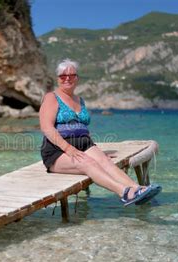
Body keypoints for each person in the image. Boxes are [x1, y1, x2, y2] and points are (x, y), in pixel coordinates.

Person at [39, 59, 161, 206]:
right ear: (57, 79)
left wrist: (96, 150)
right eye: (63, 76)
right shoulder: (52, 98)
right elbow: (47, 128)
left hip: (84, 144)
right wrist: (68, 148)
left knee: (105, 162)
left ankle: (137, 188)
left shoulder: (80, 100)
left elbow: (83, 127)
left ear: (77, 78)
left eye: (71, 75)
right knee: (88, 163)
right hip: (57, 150)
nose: (67, 78)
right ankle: (124, 193)